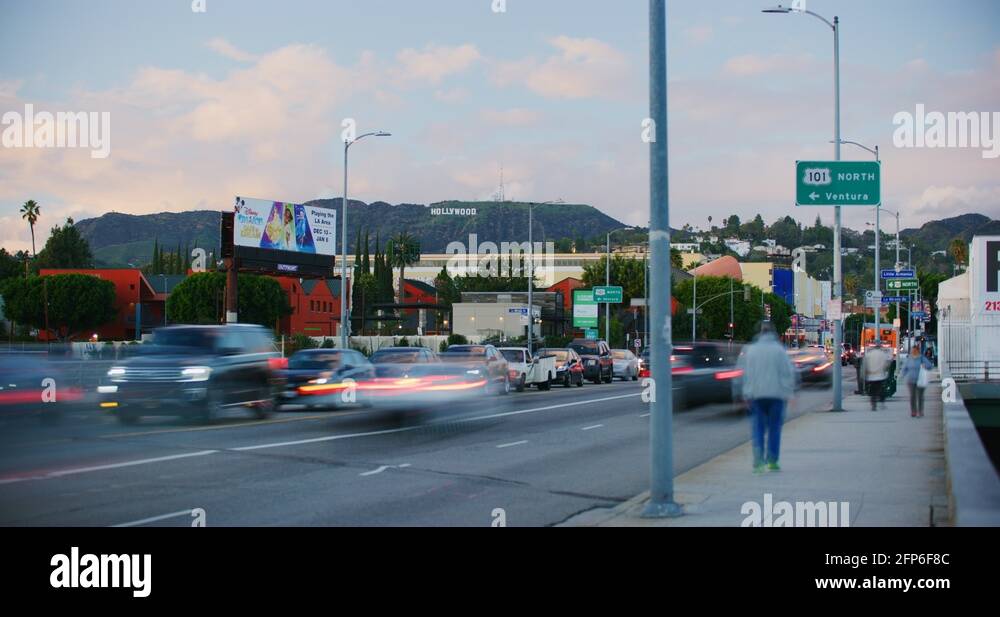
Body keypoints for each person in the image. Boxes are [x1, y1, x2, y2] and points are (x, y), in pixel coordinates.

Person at [737, 322, 797, 474]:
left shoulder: (750, 350)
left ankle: (758, 461)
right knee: (775, 428)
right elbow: (787, 373)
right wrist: (789, 393)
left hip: (756, 396)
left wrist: (745, 393)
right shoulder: (779, 350)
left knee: (758, 428)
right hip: (776, 396)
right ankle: (772, 460)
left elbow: (744, 374)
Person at [900, 345, 933, 418]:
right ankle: (913, 411)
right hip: (910, 380)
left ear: (918, 351)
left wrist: (925, 365)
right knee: (912, 396)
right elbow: (905, 368)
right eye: (912, 350)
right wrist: (901, 376)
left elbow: (930, 366)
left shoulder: (921, 358)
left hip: (920, 380)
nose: (913, 352)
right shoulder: (909, 359)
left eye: (914, 350)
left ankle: (920, 411)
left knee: (920, 396)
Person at [862, 341, 890, 411]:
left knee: (872, 390)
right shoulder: (883, 354)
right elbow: (887, 365)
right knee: (880, 389)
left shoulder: (869, 354)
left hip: (871, 375)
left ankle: (873, 404)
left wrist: (864, 374)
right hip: (880, 375)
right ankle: (882, 402)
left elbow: (865, 365)